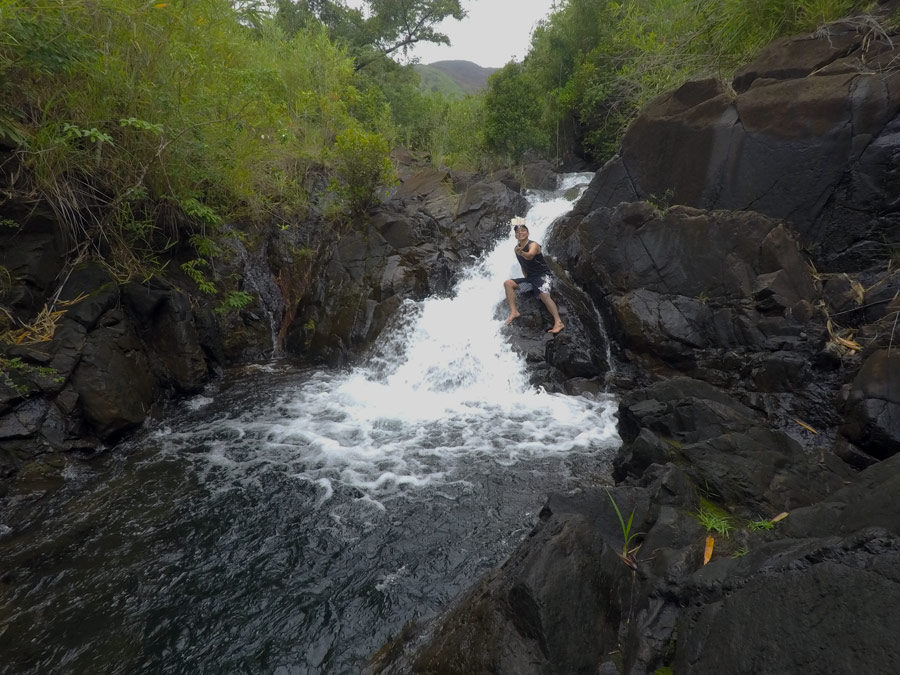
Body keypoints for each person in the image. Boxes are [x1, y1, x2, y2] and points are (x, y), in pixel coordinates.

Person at [503, 217, 565, 334]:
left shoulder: (534, 245)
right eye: (517, 232)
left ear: (528, 233)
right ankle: (514, 311)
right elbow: (523, 265)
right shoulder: (516, 249)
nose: (520, 233)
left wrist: (521, 252)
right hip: (530, 278)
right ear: (515, 236)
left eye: (523, 230)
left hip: (543, 276)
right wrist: (525, 277)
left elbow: (530, 255)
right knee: (508, 283)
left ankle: (558, 322)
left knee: (544, 295)